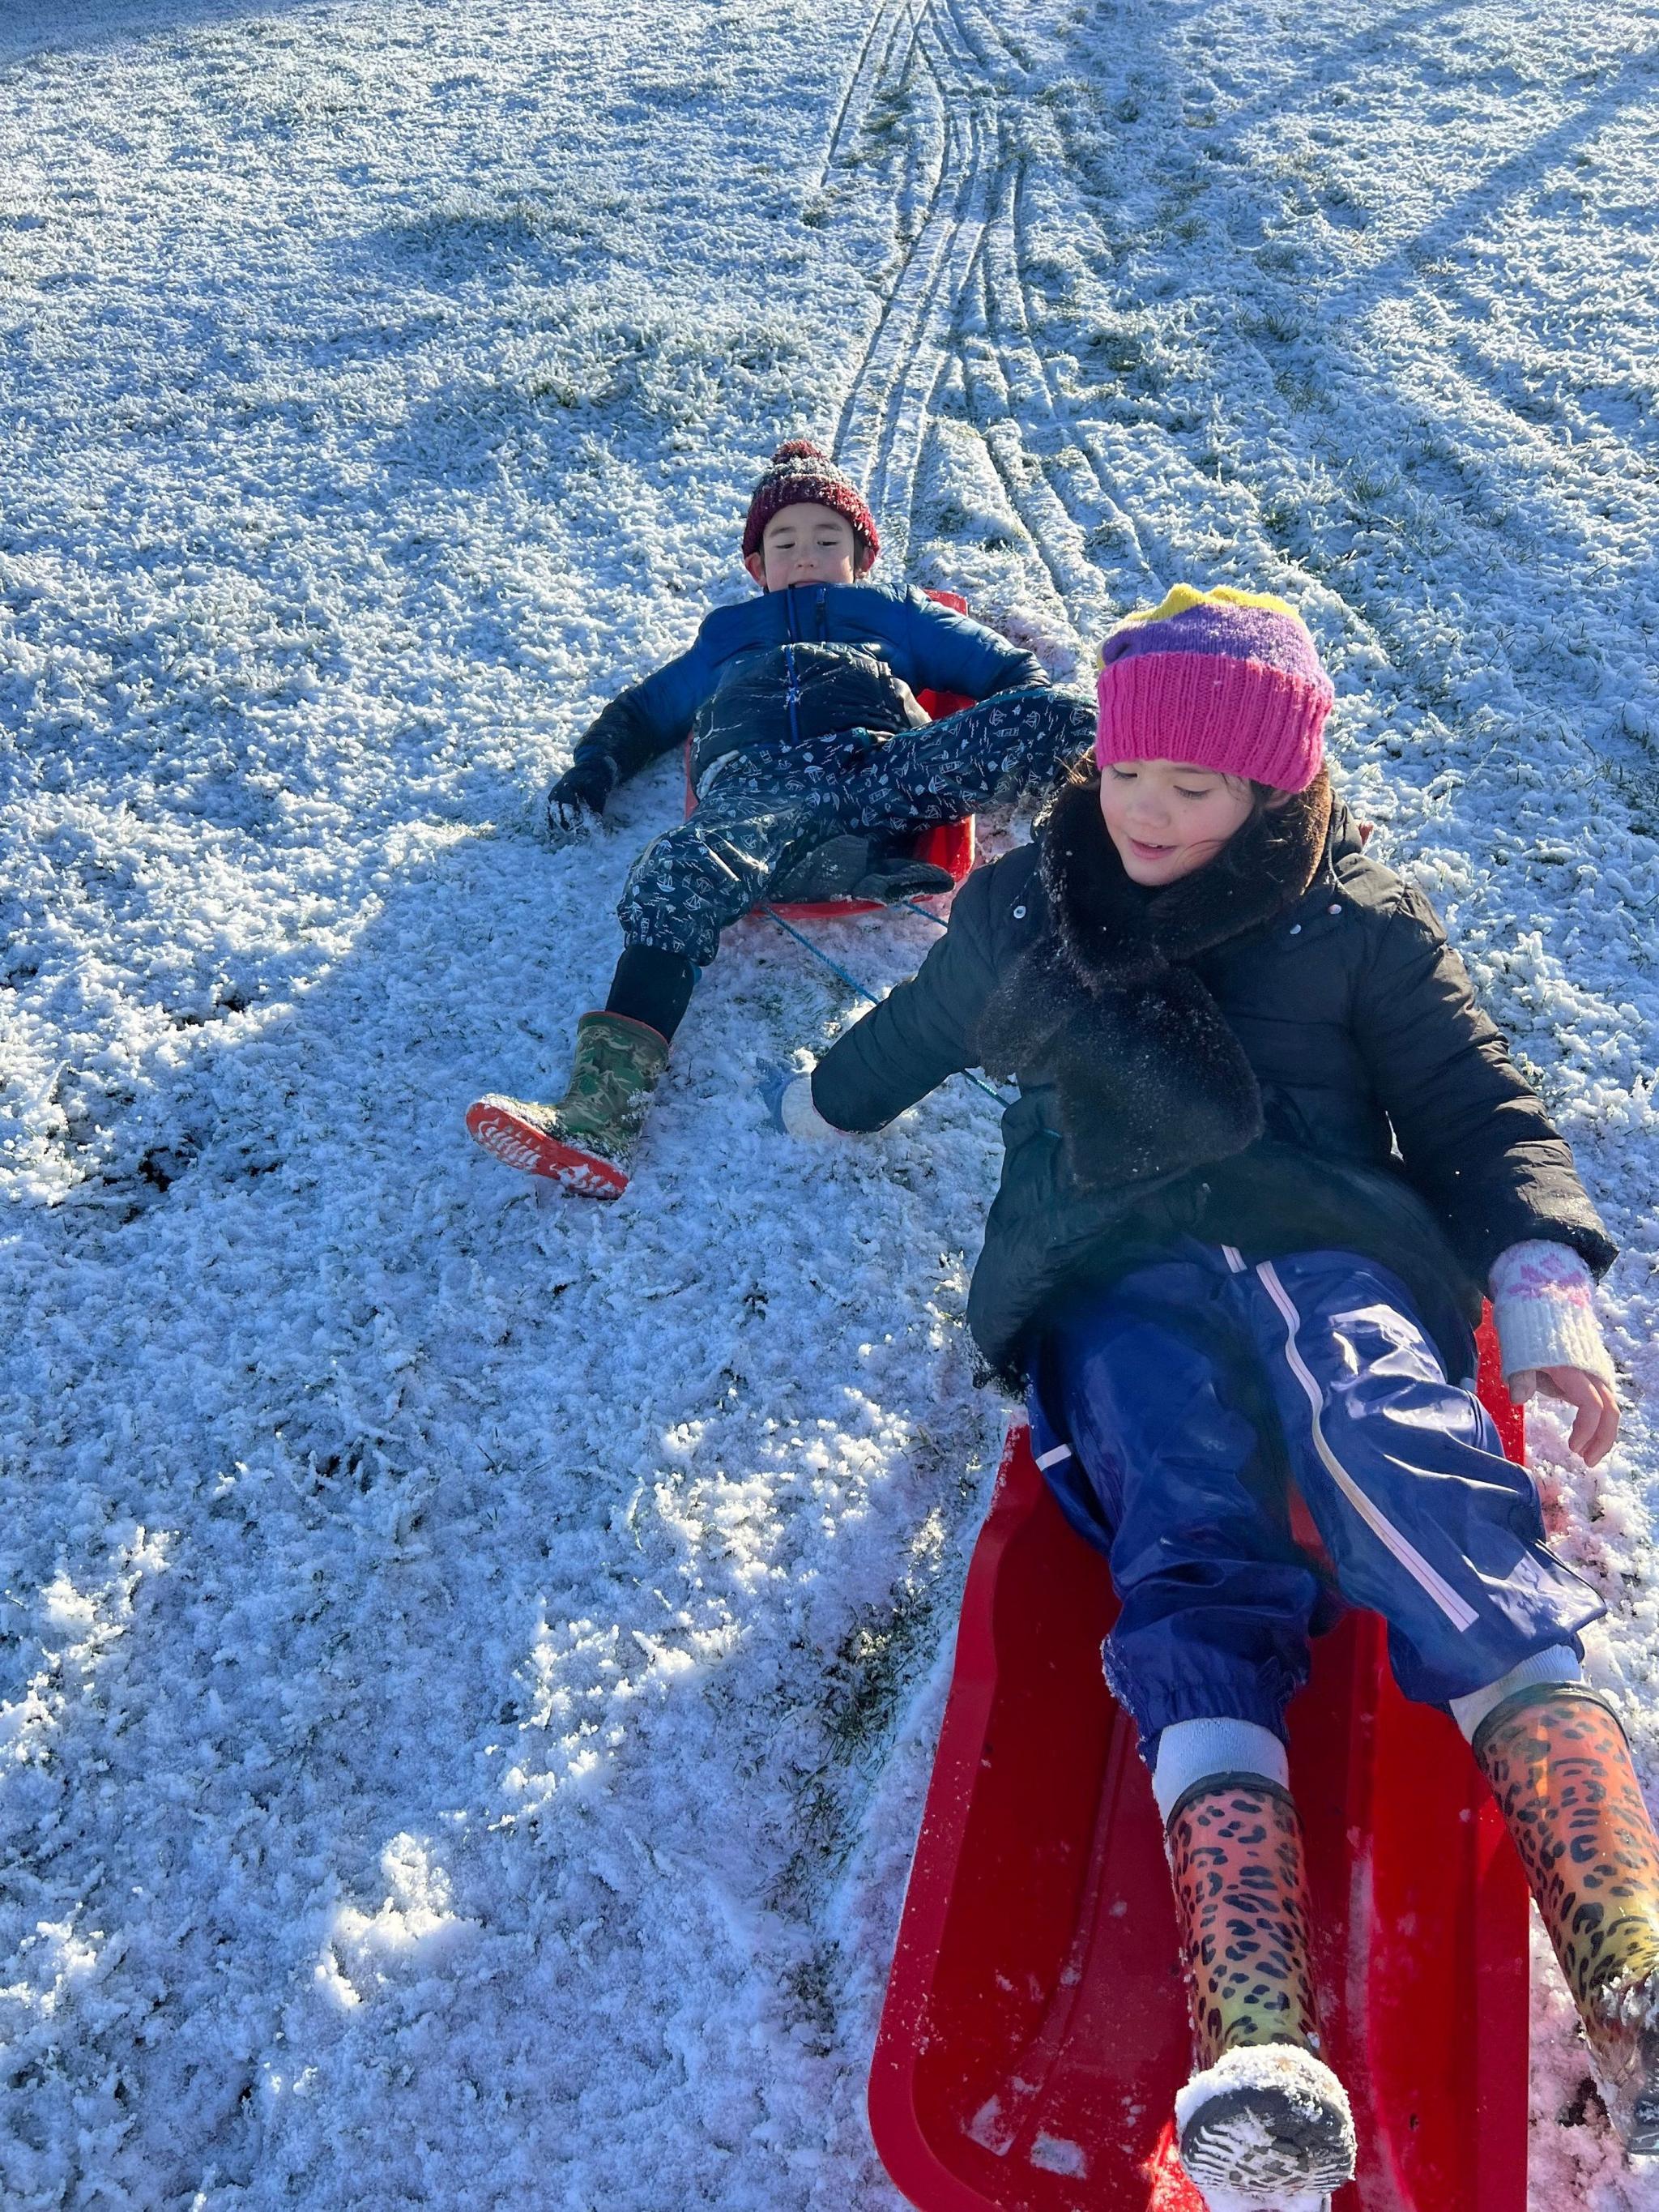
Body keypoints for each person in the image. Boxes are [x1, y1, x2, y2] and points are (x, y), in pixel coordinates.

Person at [769, 583, 1653, 2204]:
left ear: (1277, 787)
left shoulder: (1353, 921)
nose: (1151, 813)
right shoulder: (1037, 910)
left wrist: (1537, 1283)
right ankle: (1259, 2048)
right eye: (1125, 776)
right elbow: (920, 1027)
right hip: (1106, 1277)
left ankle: (1622, 1939)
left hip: (1330, 1252)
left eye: (1198, 786)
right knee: (1181, 1525)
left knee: (1383, 1435)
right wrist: (833, 1094)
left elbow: (1472, 1106)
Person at [466, 440, 1094, 1196]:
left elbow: (1004, 672)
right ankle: (600, 1113)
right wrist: (594, 768)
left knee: (1057, 719)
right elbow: (644, 712)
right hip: (759, 794)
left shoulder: (894, 610)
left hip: (877, 767)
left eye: (827, 541)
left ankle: (1150, 823)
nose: (805, 555)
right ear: (757, 564)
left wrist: (1008, 722)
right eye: (784, 542)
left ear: (858, 557)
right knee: (673, 874)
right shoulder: (726, 635)